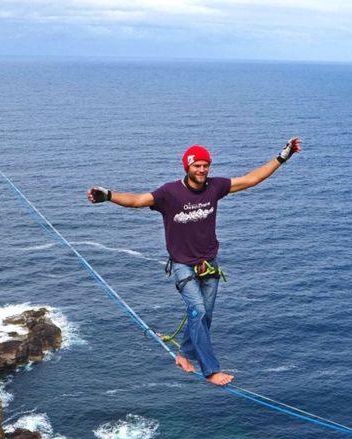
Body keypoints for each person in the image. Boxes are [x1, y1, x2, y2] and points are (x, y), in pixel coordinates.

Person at [87, 137, 302, 386]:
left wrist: (283, 156)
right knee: (198, 311)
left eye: (205, 165)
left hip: (209, 264)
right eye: (196, 165)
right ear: (186, 167)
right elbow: (137, 200)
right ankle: (210, 370)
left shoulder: (215, 186)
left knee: (204, 315)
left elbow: (251, 179)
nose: (201, 170)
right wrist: (108, 195)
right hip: (183, 265)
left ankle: (184, 355)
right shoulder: (170, 193)